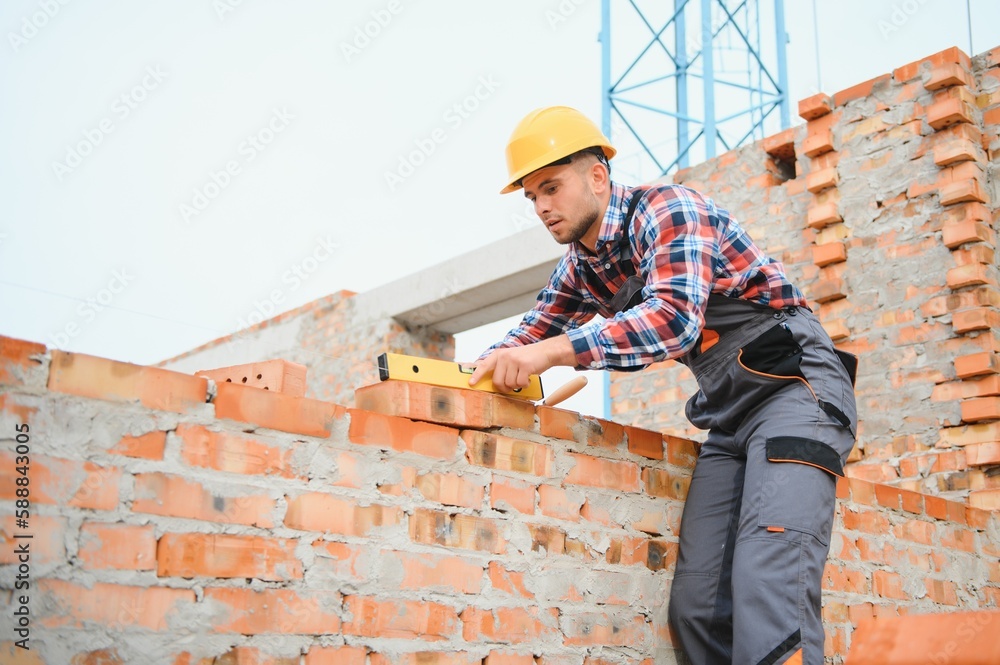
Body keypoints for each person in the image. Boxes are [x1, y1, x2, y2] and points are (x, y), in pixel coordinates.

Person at [469, 106, 858, 665]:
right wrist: (474, 377)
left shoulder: (669, 209)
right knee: (699, 608)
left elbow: (676, 320)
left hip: (797, 392)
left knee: (768, 580)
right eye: (532, 196)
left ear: (597, 177)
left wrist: (549, 354)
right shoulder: (579, 266)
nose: (542, 207)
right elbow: (527, 334)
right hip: (730, 417)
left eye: (551, 188)